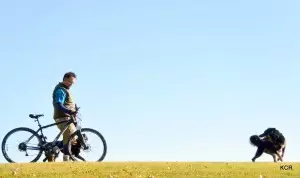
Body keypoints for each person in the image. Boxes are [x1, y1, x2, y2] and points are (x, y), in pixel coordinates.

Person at [52, 72, 78, 161]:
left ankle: (55, 148)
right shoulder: (61, 90)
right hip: (62, 117)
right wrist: (68, 111)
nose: (71, 84)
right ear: (65, 79)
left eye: (73, 83)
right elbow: (59, 104)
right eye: (70, 82)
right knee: (70, 136)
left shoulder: (66, 90)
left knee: (72, 137)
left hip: (66, 117)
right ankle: (66, 158)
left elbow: (67, 103)